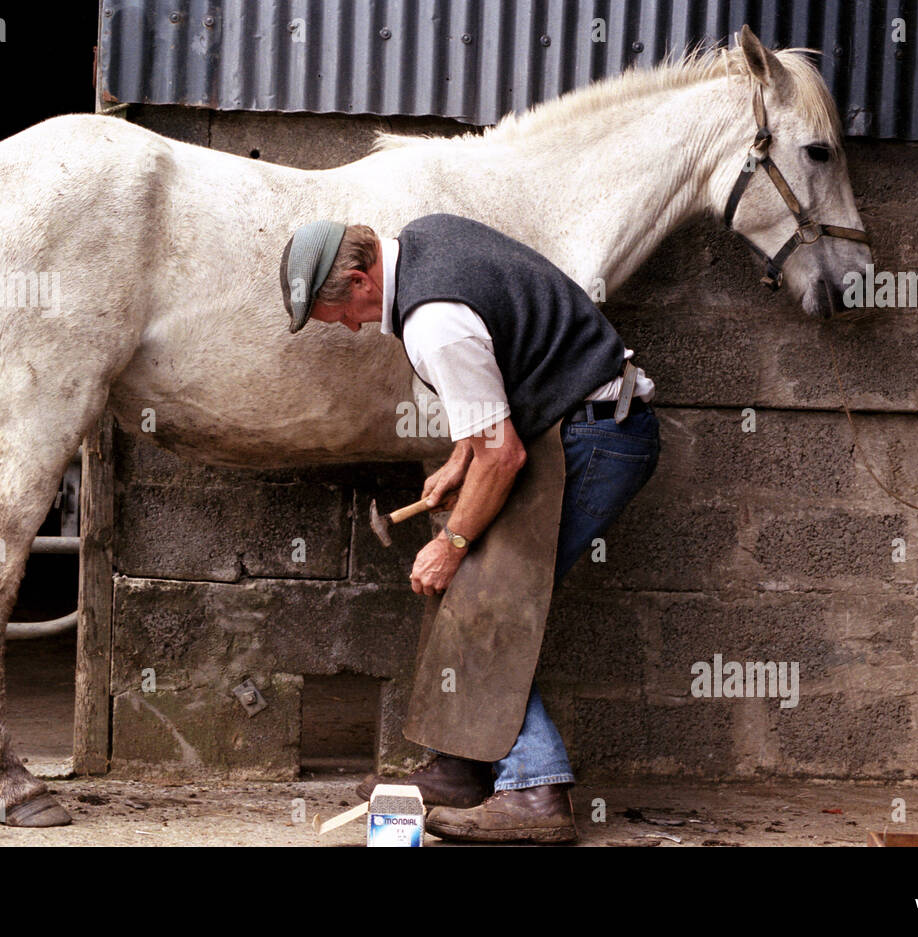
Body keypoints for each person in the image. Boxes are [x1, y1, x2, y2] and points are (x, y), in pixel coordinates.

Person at [280, 214, 659, 843]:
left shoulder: (433, 324)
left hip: (596, 437)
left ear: (358, 278)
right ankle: (462, 770)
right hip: (576, 419)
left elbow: (503, 454)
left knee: (489, 599)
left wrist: (451, 543)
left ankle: (536, 791)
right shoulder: (427, 238)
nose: (352, 329)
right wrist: (461, 456)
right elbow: (510, 355)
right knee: (476, 593)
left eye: (340, 316)